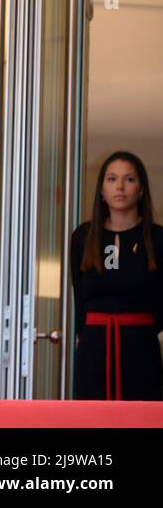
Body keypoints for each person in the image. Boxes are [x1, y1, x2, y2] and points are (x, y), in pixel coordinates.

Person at [70, 152, 163, 400]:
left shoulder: (157, 238)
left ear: (141, 189)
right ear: (102, 190)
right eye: (112, 179)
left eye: (129, 179)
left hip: (141, 347)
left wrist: (140, 330)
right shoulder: (83, 236)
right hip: (94, 347)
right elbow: (79, 297)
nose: (120, 187)